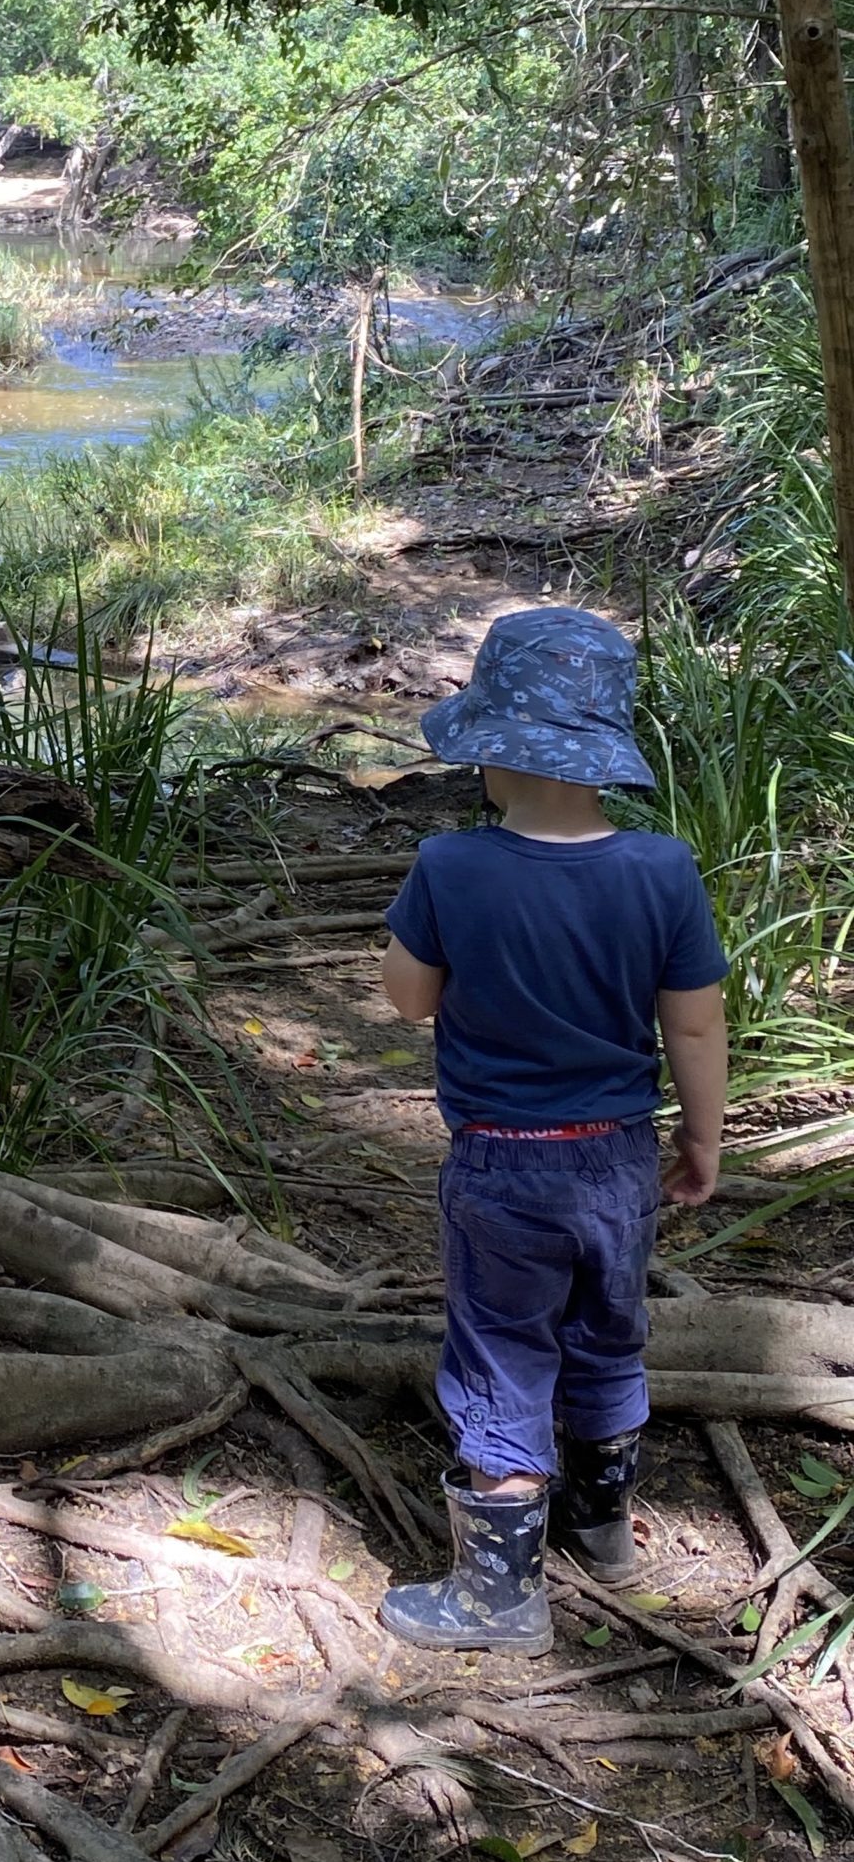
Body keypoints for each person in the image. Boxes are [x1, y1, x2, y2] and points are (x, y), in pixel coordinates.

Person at [376, 605, 729, 1657]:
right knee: (605, 1330)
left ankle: (498, 1595)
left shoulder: (451, 864)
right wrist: (700, 1141)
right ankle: (602, 1527)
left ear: (490, 751)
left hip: (500, 1165)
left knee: (501, 1352)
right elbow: (695, 1020)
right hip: (616, 1157)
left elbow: (406, 999)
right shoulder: (660, 869)